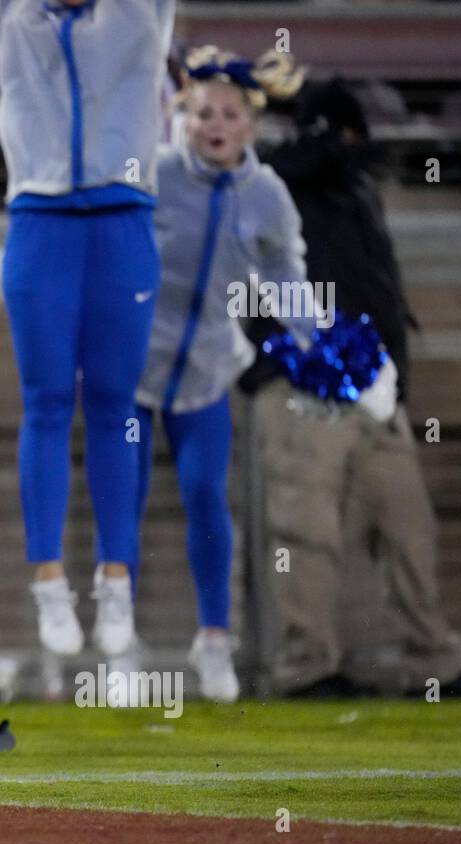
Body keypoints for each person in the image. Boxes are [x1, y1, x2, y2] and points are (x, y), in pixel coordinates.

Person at [0, 0, 174, 689]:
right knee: (48, 400)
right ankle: (49, 579)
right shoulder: (13, 16)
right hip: (39, 221)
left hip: (124, 218)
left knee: (119, 405)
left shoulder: (139, 12)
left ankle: (117, 576)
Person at [247, 79, 461, 695]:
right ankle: (305, 669)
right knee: (306, 535)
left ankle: (434, 664)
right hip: (300, 388)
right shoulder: (276, 179)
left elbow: (380, 288)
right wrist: (320, 138)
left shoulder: (357, 189)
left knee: (409, 524)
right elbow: (285, 167)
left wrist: (395, 380)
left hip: (374, 390)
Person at [132, 47, 308, 703]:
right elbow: (95, 239)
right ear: (183, 116)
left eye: (229, 115)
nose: (215, 124)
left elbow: (287, 276)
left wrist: (323, 343)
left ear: (248, 126)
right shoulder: (153, 173)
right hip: (133, 366)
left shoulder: (266, 195)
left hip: (206, 368)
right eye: (203, 112)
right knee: (124, 501)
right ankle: (120, 650)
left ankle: (214, 642)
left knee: (208, 496)